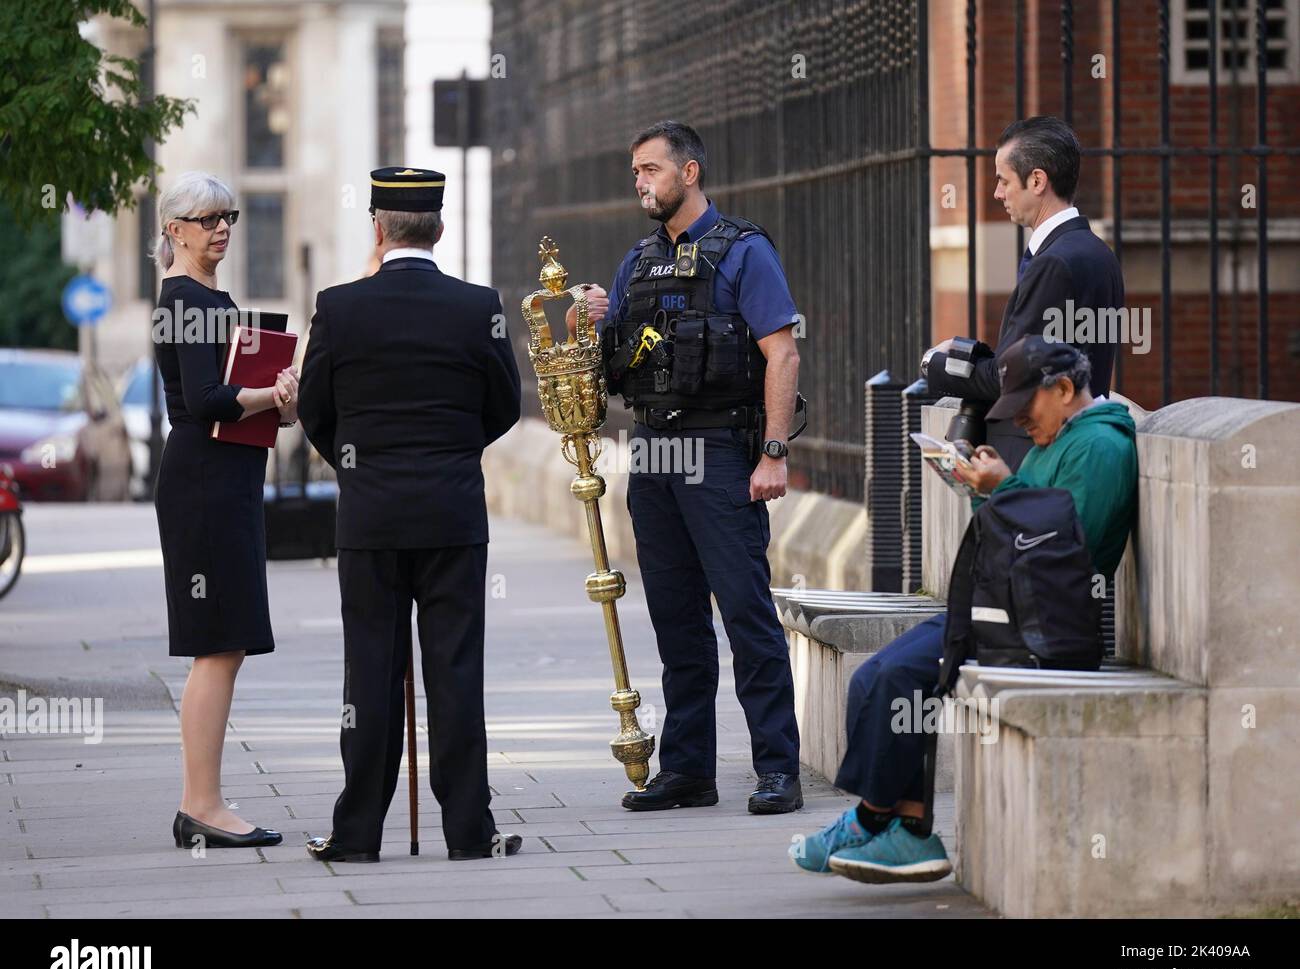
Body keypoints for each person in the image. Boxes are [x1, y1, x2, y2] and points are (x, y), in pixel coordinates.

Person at [791, 335, 1138, 882]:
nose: (1021, 421)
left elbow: (1068, 549)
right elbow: (1026, 523)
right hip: (1005, 604)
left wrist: (1003, 489)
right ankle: (904, 828)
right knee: (874, 676)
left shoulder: (1100, 447)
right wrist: (981, 486)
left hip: (1042, 626)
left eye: (1027, 407)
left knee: (899, 677)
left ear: (1066, 388)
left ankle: (874, 821)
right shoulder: (1063, 436)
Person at [571, 120, 805, 814]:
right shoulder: (639, 261)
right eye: (635, 172)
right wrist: (596, 318)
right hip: (654, 453)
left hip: (719, 453)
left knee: (745, 614)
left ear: (690, 172)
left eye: (650, 169)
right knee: (676, 621)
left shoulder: (744, 251)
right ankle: (688, 770)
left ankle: (777, 767)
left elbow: (782, 352)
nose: (640, 181)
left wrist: (773, 452)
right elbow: (625, 352)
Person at [298, 166, 523, 862]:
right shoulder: (476, 304)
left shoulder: (339, 307)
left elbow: (313, 409)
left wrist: (360, 465)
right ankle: (468, 830)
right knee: (454, 671)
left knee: (367, 673)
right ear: (441, 227)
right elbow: (505, 403)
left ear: (378, 227)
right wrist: (452, 453)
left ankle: (357, 831)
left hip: (370, 517)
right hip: (452, 512)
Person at [153, 171, 299, 849]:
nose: (222, 227)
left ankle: (199, 801)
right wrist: (270, 392)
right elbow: (208, 396)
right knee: (216, 644)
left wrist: (281, 396)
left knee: (226, 643)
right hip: (204, 483)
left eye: (228, 216)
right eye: (207, 217)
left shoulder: (212, 298)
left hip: (227, 477)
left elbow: (232, 390)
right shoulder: (185, 299)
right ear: (174, 229)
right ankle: (203, 804)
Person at [922, 115, 1125, 470]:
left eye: (1003, 180)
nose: (997, 193)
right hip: (1071, 450)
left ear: (1036, 180)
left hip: (1035, 459)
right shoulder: (1097, 253)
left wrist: (936, 365)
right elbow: (1044, 359)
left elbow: (1014, 378)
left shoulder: (1055, 263)